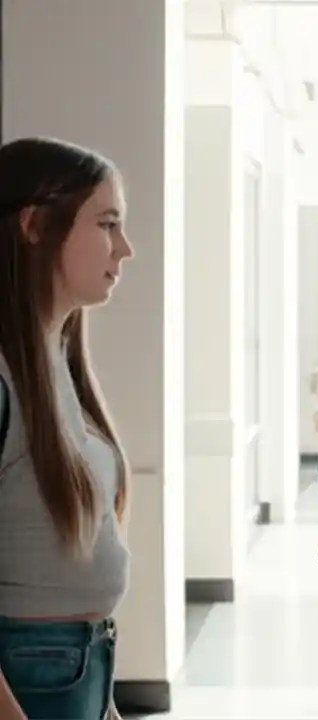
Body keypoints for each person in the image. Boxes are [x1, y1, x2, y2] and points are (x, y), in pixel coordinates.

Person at [0, 138, 133, 719]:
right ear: (33, 224)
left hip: (81, 665)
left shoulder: (59, 363)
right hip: (30, 672)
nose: (124, 249)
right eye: (107, 224)